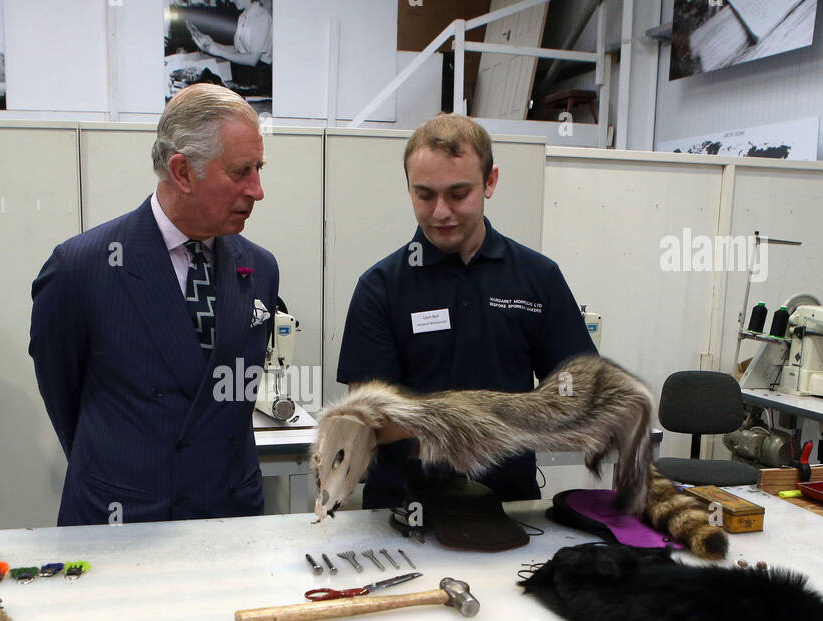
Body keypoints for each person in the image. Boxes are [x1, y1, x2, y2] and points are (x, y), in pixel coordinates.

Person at [29, 83, 278, 527]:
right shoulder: (83, 268)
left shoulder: (259, 268)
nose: (257, 190)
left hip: (228, 519)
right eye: (241, 172)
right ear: (182, 172)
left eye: (258, 168)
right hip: (123, 522)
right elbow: (62, 393)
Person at [336, 112, 596, 508]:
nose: (440, 212)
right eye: (424, 195)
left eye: (458, 194)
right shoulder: (381, 287)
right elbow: (366, 420)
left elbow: (580, 396)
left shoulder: (537, 278)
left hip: (508, 506)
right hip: (402, 508)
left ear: (490, 183)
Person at [188, 0, 272, 96]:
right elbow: (238, 51)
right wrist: (212, 45)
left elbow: (252, 59)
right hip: (243, 75)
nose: (231, 0)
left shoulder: (262, 18)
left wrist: (218, 51)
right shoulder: (243, 16)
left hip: (258, 80)